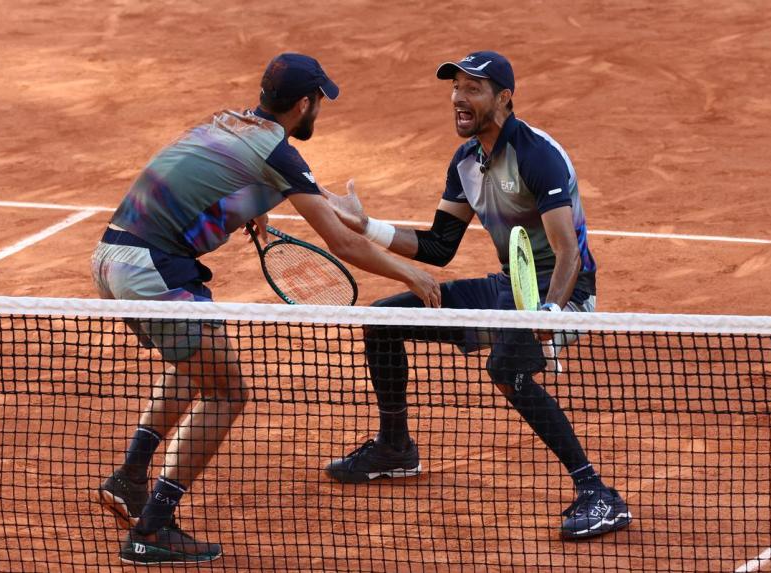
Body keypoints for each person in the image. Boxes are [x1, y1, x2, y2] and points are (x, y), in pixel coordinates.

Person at [90, 53, 441, 565]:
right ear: (304, 104)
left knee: (195, 367)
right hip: (154, 271)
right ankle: (154, 527)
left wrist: (252, 205)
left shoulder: (229, 119)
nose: (319, 109)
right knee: (227, 392)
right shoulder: (280, 153)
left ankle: (129, 478)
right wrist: (410, 272)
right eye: (319, 101)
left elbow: (215, 173)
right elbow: (340, 241)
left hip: (111, 258)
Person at [321, 50, 632, 540]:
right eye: (455, 87)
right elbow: (440, 245)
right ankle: (395, 447)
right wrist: (368, 226)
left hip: (565, 298)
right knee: (384, 321)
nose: (458, 99)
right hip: (508, 289)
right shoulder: (468, 161)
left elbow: (567, 254)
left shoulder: (537, 156)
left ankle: (598, 493)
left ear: (503, 98)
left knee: (505, 368)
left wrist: (547, 315)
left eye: (472, 89)